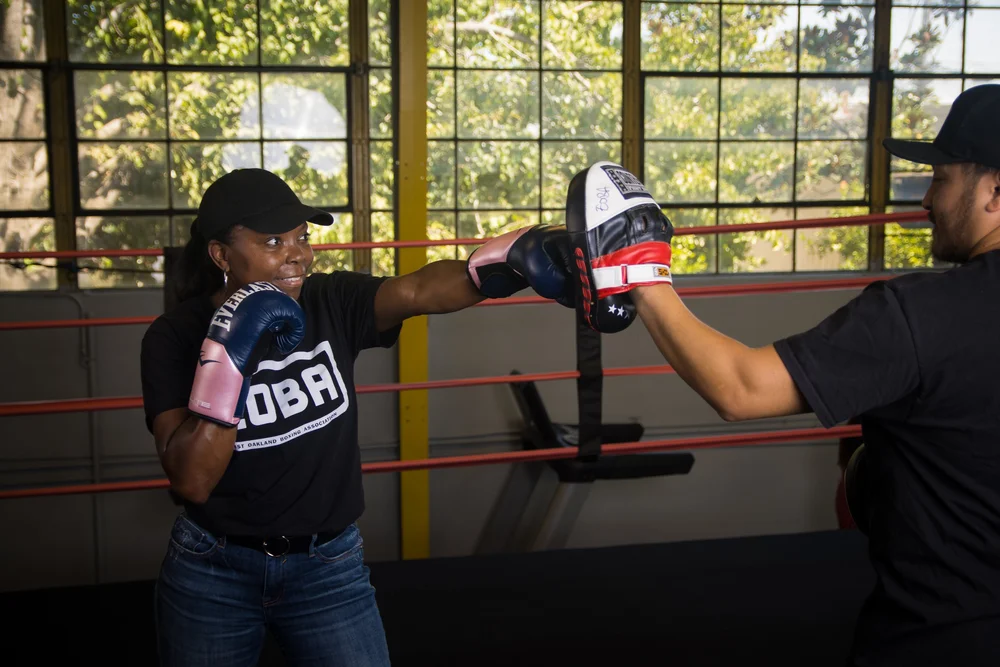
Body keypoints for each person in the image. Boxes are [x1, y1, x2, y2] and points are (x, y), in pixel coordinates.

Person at [535, 84, 1000, 666]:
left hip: (942, 640)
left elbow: (742, 388)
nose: (926, 199)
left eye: (942, 178)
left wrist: (641, 275)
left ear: (995, 190)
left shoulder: (924, 313)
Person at [139, 167, 567, 666]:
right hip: (212, 569)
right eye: (273, 240)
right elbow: (191, 481)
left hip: (327, 566)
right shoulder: (174, 338)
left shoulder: (329, 300)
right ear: (220, 255)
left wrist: (507, 262)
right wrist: (230, 356)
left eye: (301, 237)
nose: (297, 253)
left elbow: (417, 291)